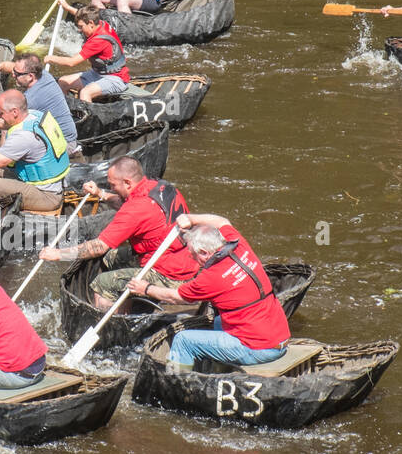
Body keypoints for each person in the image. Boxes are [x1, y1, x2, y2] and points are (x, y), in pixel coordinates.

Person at [127, 213, 290, 373]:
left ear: (204, 252)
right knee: (218, 322)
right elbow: (221, 221)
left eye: (192, 254)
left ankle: (175, 380)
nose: (191, 258)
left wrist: (146, 288)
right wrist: (191, 219)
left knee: (183, 340)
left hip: (259, 349)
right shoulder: (240, 246)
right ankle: (215, 369)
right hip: (278, 337)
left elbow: (176, 297)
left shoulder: (210, 278)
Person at [38, 156, 194, 310]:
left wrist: (58, 254)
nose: (111, 188)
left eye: (112, 185)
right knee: (109, 258)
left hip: (170, 273)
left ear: (127, 182)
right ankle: (127, 298)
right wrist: (100, 193)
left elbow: (98, 246)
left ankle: (117, 322)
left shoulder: (135, 210)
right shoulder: (159, 186)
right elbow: (126, 203)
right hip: (180, 257)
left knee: (102, 283)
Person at [0, 53, 82, 160]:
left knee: (8, 129)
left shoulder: (32, 99)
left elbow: (0, 122)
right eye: (14, 71)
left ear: (30, 76)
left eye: (16, 74)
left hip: (62, 145)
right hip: (53, 134)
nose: (13, 75)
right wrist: (0, 66)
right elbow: (11, 66)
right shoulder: (43, 75)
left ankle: (3, 164)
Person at [45, 5, 130, 103]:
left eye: (81, 27)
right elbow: (83, 15)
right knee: (63, 82)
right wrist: (67, 7)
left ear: (91, 23)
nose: (79, 30)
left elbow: (71, 62)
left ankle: (88, 117)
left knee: (85, 92)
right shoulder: (101, 23)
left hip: (116, 79)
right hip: (98, 73)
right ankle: (66, 113)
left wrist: (51, 58)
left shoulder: (97, 41)